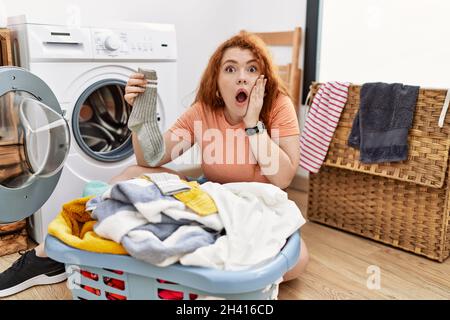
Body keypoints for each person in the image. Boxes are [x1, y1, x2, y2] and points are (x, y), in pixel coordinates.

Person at [0, 31, 309, 298]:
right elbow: (151, 158)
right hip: (213, 198)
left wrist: (253, 123)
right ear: (217, 81)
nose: (242, 76)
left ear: (262, 79)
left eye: (251, 68)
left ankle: (155, 262)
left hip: (257, 206)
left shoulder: (277, 107)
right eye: (231, 68)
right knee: (132, 175)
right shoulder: (203, 111)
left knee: (297, 261)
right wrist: (140, 113)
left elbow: (281, 177)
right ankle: (52, 254)